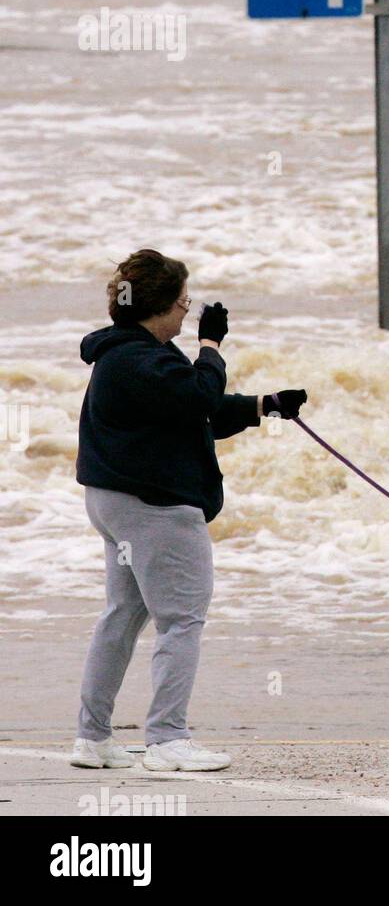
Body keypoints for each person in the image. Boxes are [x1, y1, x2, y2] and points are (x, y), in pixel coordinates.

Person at [70, 249, 308, 772]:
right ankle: (167, 739)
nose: (187, 313)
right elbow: (199, 394)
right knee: (181, 620)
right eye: (183, 303)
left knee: (123, 615)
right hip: (153, 506)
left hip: (116, 502)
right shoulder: (139, 359)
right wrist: (211, 343)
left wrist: (264, 406)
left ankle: (93, 739)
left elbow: (193, 409)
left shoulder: (132, 352)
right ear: (159, 307)